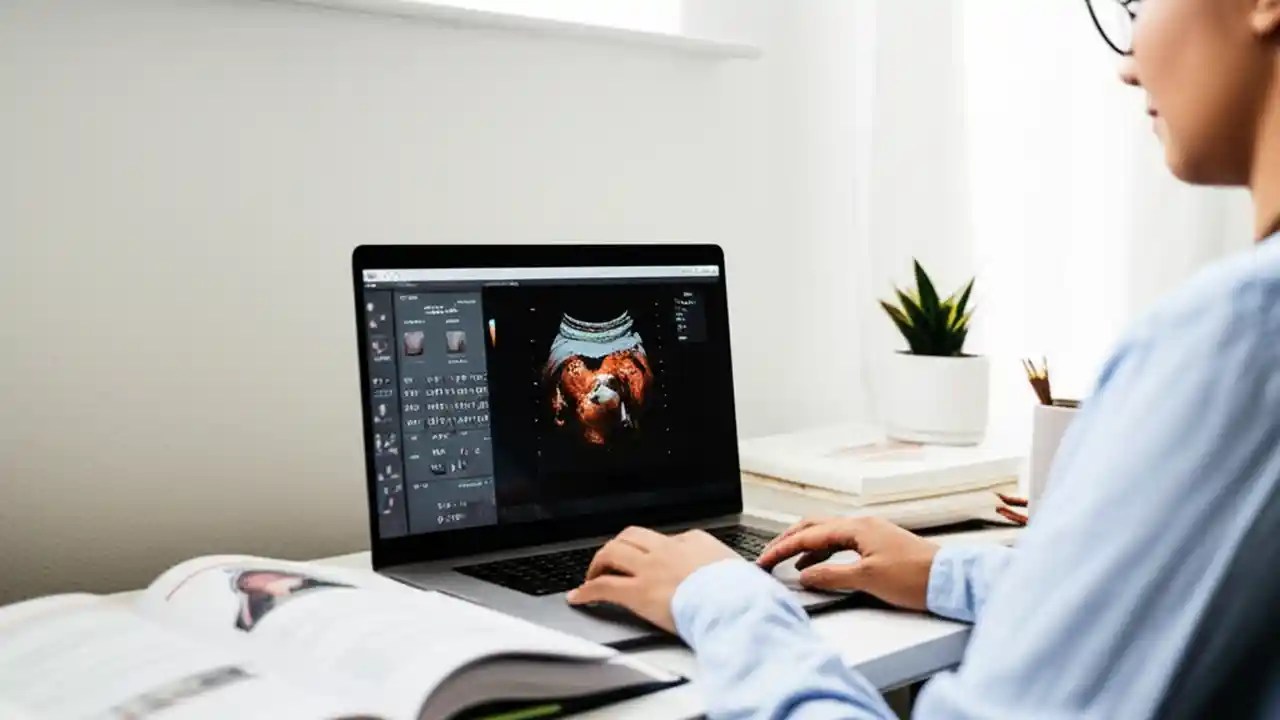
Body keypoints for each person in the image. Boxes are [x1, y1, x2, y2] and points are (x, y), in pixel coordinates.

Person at [567, 0, 1280, 716]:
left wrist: (723, 602)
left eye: (1138, 3)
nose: (1127, 66)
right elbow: (1158, 598)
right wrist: (945, 570)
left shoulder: (1238, 339)